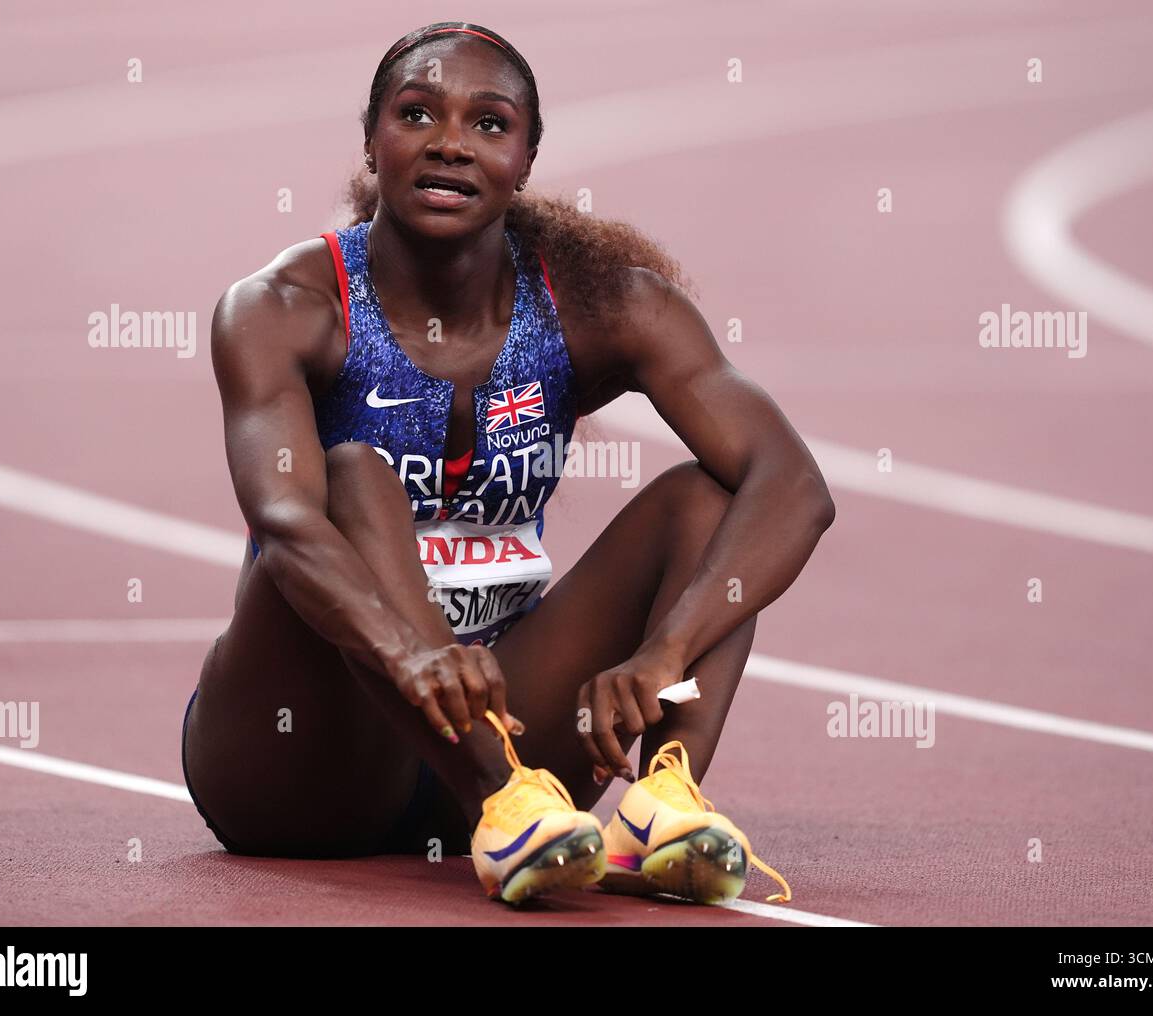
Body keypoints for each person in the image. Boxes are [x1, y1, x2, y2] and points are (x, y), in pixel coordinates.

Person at [181, 21, 836, 906]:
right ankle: (500, 796)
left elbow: (792, 484)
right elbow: (287, 524)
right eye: (417, 114)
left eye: (489, 124)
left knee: (710, 502)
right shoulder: (284, 308)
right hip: (302, 761)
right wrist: (410, 655)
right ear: (371, 141)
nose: (451, 143)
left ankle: (662, 800)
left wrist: (663, 652)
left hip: (518, 733)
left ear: (527, 160)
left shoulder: (603, 306)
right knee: (350, 475)